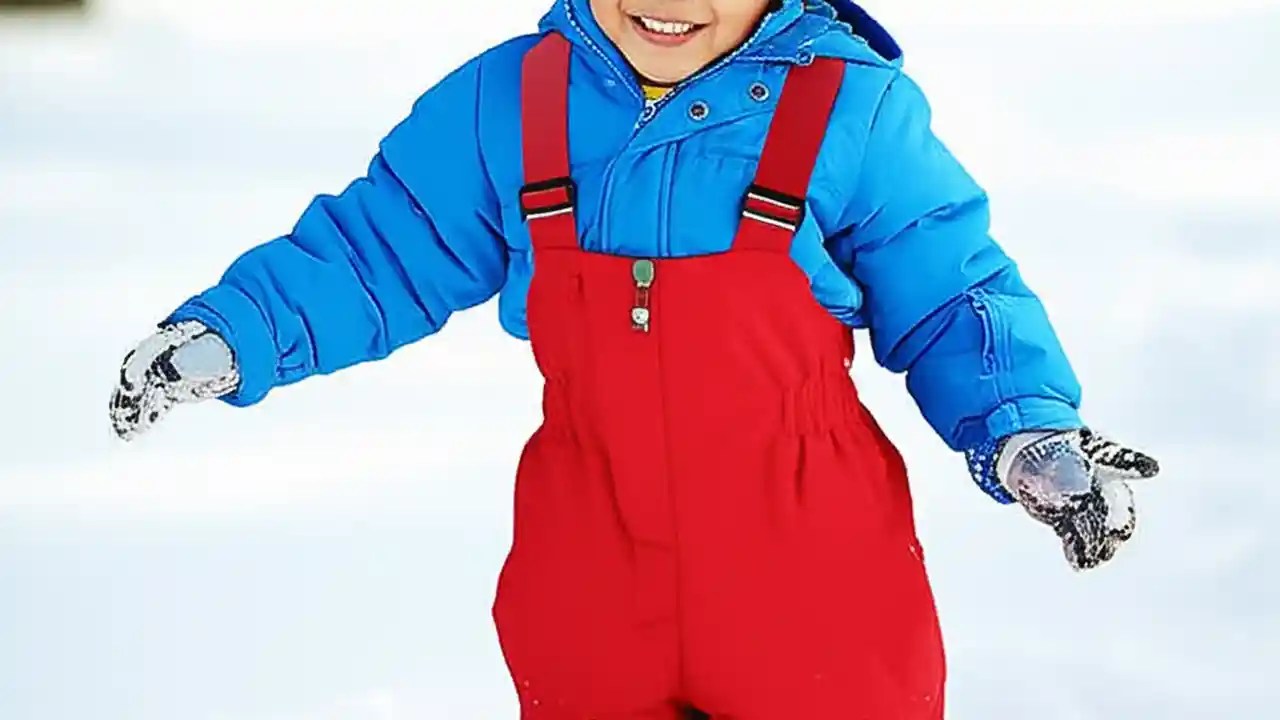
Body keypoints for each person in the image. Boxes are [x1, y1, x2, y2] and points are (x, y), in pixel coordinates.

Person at [108, 1, 1160, 717]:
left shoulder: (849, 109)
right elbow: (384, 246)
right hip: (586, 557)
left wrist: (1027, 430)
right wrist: (235, 332)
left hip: (813, 566)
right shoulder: (508, 104)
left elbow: (947, 291)